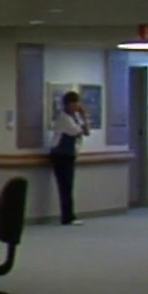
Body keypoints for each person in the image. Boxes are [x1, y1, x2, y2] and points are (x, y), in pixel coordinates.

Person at [49, 90, 91, 226]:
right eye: (73, 104)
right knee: (65, 186)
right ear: (67, 104)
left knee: (68, 186)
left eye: (77, 104)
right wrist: (83, 116)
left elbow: (87, 132)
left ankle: (69, 215)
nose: (76, 107)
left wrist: (83, 117)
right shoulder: (64, 118)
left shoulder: (74, 117)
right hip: (61, 155)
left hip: (69, 154)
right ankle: (67, 217)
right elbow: (77, 132)